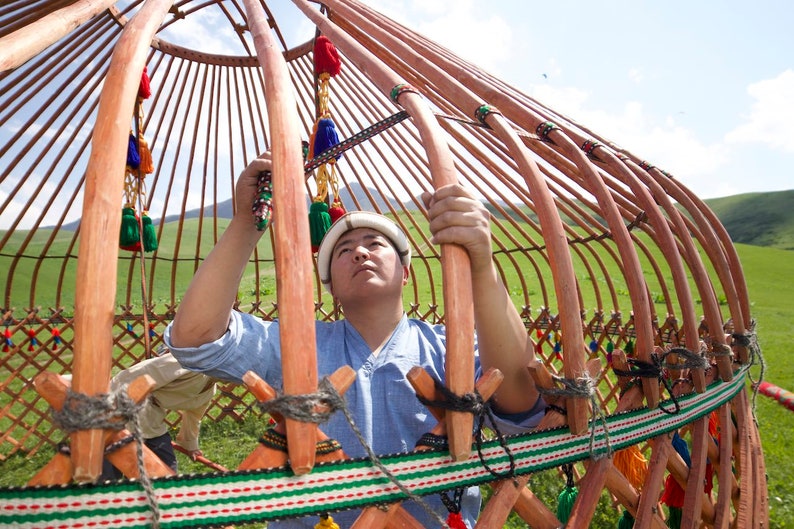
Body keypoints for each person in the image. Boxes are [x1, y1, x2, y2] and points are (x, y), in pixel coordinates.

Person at [164, 152, 543, 528]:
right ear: (331, 289)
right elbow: (195, 338)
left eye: (375, 244)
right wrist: (248, 222)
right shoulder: (297, 344)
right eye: (343, 251)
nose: (359, 251)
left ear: (406, 272)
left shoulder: (450, 348)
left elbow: (521, 400)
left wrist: (481, 262)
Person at [101, 347, 218, 479]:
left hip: (150, 417)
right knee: (111, 471)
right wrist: (117, 406)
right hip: (121, 403)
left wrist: (190, 445)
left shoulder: (209, 391)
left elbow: (193, 417)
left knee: (165, 471)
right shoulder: (190, 363)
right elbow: (136, 374)